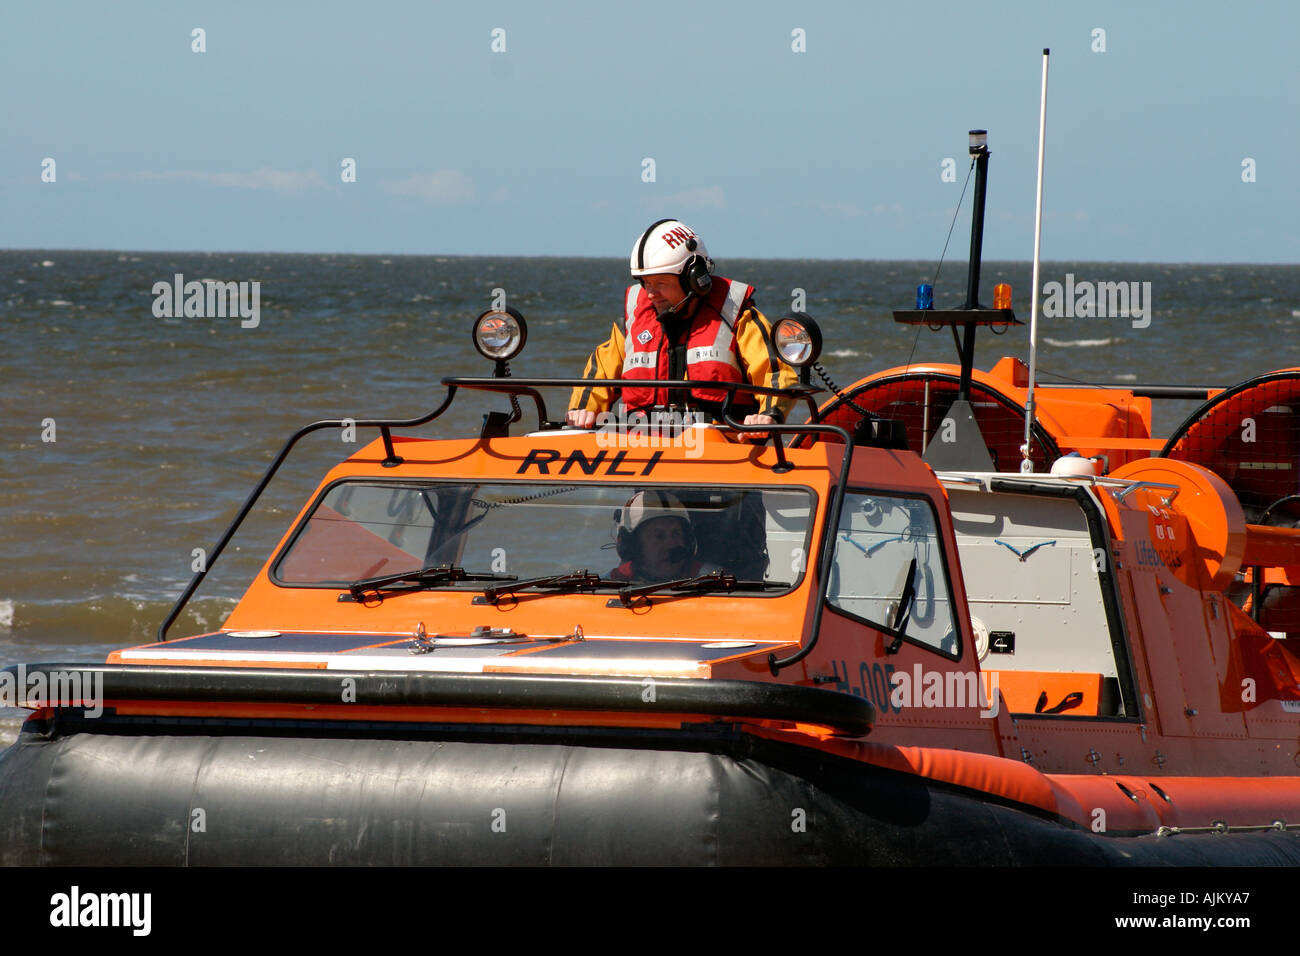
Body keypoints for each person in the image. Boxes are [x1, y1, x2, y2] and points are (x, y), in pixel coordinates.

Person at [566, 219, 798, 431]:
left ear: (694, 279)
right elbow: (600, 375)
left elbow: (774, 372)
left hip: (721, 447)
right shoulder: (634, 317)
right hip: (640, 445)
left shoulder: (737, 315)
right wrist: (581, 411)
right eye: (645, 282)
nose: (650, 294)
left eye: (660, 283)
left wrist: (769, 414)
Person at [608, 490, 721, 583]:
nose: (671, 544)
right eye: (659, 536)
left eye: (676, 534)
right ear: (632, 546)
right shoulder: (608, 584)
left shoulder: (716, 581)